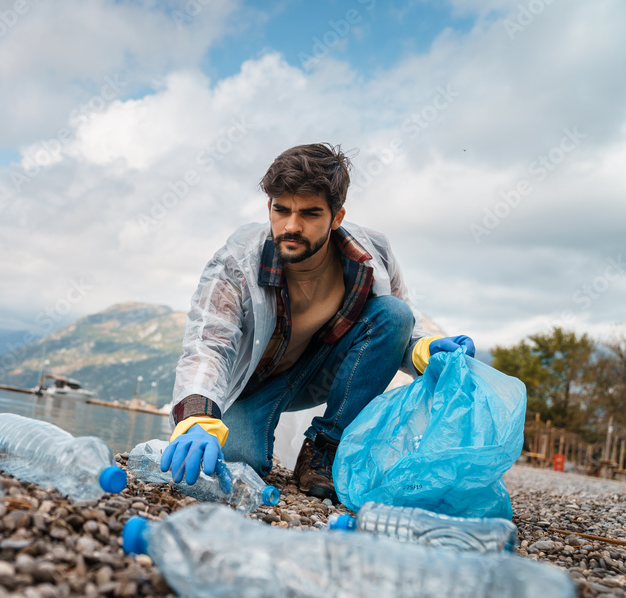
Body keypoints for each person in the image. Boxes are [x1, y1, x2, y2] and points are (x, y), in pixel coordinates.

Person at [160, 143, 475, 502]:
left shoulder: (374, 255)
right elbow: (208, 344)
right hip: (256, 382)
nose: (291, 226)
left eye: (310, 213)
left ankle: (326, 448)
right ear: (269, 207)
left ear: (336, 217)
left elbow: (399, 327)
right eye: (281, 210)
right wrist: (198, 419)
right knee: (235, 461)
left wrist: (426, 349)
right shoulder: (236, 261)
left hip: (324, 371)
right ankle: (256, 435)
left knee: (393, 313)